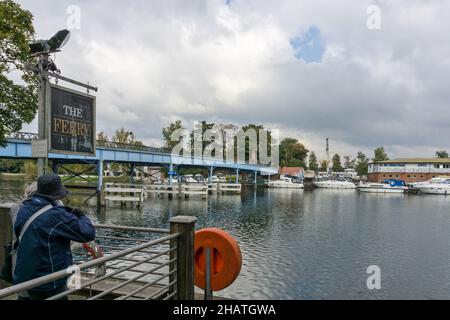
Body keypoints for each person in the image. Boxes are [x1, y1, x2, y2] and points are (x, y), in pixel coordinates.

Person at [13, 173, 96, 300]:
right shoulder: (56, 215)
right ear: (56, 194)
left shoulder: (24, 208)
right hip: (50, 278)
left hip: (27, 275)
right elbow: (88, 233)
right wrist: (80, 215)